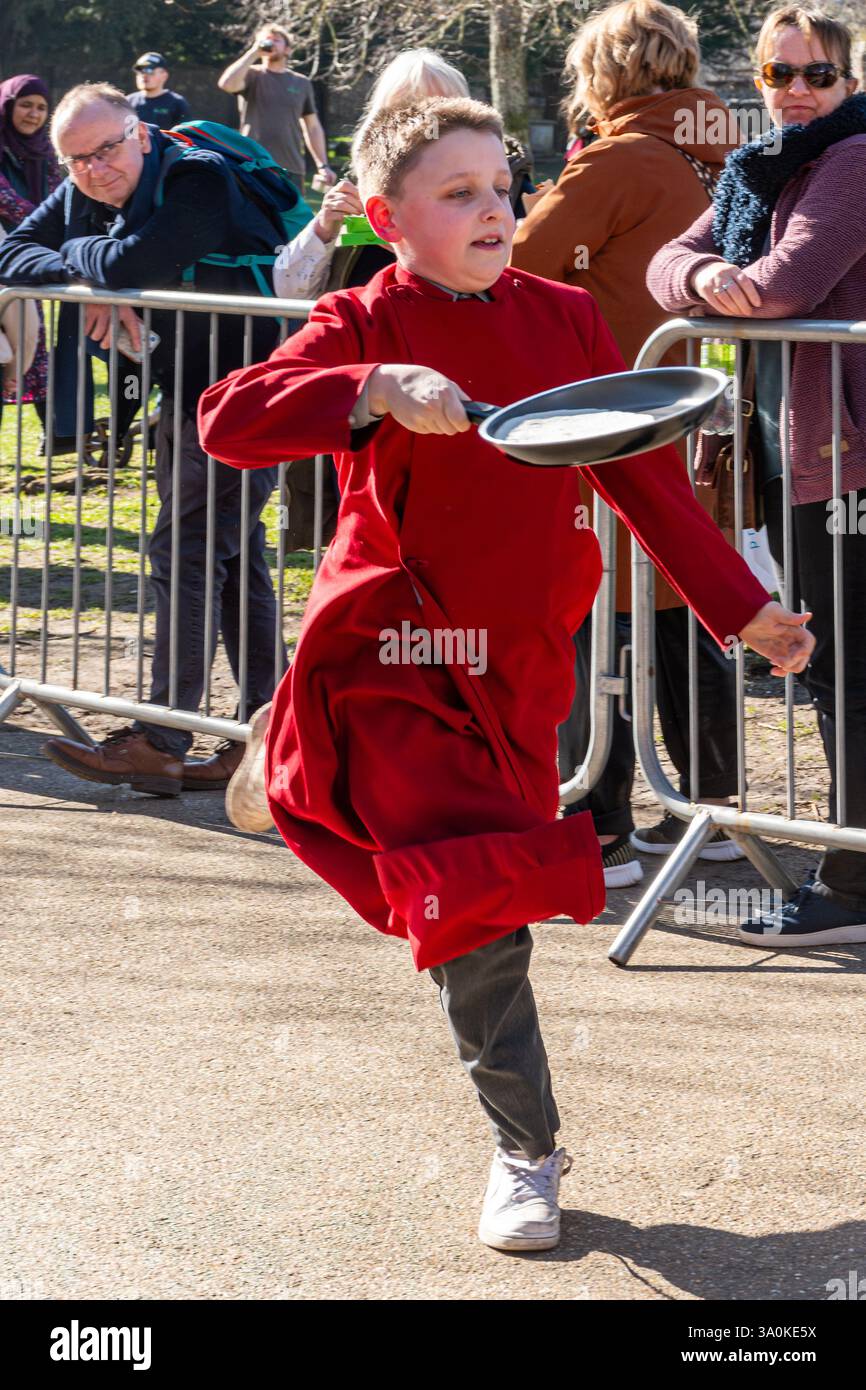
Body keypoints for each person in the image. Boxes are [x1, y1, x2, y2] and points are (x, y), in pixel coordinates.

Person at [197, 97, 813, 1251]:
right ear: (388, 220)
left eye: (501, 186)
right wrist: (374, 388)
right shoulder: (359, 315)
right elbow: (227, 420)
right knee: (475, 905)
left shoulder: (568, 316)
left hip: (523, 658)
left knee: (470, 883)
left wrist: (748, 609)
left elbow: (645, 483)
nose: (494, 209)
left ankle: (286, 760)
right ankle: (525, 1150)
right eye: (458, 193)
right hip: (396, 651)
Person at [511, 0, 744, 887]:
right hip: (690, 417)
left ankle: (596, 823)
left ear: (604, 73)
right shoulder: (722, 150)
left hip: (607, 421)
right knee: (684, 612)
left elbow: (515, 261)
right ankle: (714, 812)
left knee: (591, 620)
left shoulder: (618, 161)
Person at [647, 5, 866, 947]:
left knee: (851, 666)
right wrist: (704, 285)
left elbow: (788, 283)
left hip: (847, 452)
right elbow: (669, 263)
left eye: (816, 74)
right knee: (830, 661)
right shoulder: (761, 167)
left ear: (850, 81)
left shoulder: (853, 158)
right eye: (779, 77)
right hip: (789, 446)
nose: (797, 92)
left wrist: (737, 287)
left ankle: (854, 886)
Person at [0, 82, 289, 794]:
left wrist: (94, 266)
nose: (95, 171)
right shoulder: (88, 189)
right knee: (234, 556)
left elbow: (136, 263)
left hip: (252, 393)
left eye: (107, 150)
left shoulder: (197, 175)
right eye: (76, 161)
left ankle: (161, 739)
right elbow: (12, 250)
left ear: (141, 133)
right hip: (188, 395)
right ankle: (267, 736)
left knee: (186, 549)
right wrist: (94, 271)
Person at [0, 74, 61, 439]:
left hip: (19, 262)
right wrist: (43, 224)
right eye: (25, 104)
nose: (33, 114)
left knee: (26, 341)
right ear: (7, 106)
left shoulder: (45, 152)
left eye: (41, 107)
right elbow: (5, 198)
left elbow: (58, 199)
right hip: (12, 254)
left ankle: (57, 434)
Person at [218, 22, 335, 192]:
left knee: (291, 219)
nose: (270, 42)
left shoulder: (301, 83)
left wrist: (322, 164)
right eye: (266, 39)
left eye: (277, 40)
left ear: (288, 49)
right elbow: (226, 84)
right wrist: (253, 52)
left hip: (291, 167)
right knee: (254, 217)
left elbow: (313, 127)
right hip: (253, 164)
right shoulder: (251, 74)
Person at [126, 51, 190, 131]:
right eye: (140, 71)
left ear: (164, 75)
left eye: (149, 70)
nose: (144, 75)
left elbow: (184, 138)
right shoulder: (127, 102)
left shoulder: (177, 103)